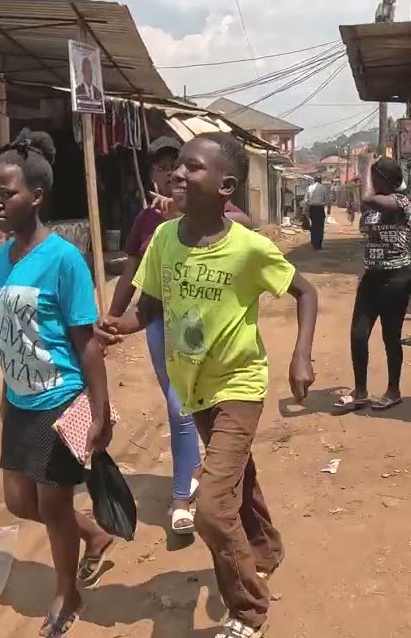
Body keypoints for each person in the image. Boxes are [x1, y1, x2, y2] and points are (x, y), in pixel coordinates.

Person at [97, 132, 318, 638]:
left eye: (192, 168)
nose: (177, 174)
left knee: (213, 511)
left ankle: (248, 611)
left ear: (226, 185)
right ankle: (265, 548)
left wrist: (301, 356)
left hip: (239, 385)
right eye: (177, 167)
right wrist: (119, 327)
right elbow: (148, 309)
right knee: (238, 476)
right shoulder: (164, 241)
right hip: (193, 387)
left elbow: (304, 291)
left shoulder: (248, 249)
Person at [0, 129, 116, 637]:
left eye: (6, 194)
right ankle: (94, 536)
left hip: (59, 399)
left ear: (36, 196)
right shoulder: (4, 256)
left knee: (52, 505)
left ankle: (67, 593)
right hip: (19, 399)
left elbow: (86, 342)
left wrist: (99, 414)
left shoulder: (64, 259)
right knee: (20, 502)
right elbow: (9, 331)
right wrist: (4, 392)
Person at [108, 136, 250, 536]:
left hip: (207, 327)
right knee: (179, 407)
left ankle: (217, 480)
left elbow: (244, 224)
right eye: (165, 167)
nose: (174, 173)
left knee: (204, 408)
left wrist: (183, 216)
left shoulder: (209, 209)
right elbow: (131, 272)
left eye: (182, 163)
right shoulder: (149, 221)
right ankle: (182, 495)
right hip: (160, 325)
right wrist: (113, 319)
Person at [335, 158, 411, 412]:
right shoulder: (373, 206)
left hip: (396, 278)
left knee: (391, 337)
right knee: (358, 333)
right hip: (372, 276)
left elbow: (367, 198)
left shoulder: (400, 202)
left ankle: (394, 390)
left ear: (383, 179)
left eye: (374, 176)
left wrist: (368, 169)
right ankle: (360, 391)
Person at [305, 176, 328, 249]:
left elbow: (306, 199)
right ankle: (319, 244)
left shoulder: (309, 188)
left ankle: (314, 242)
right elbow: (325, 200)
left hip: (312, 208)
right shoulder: (323, 188)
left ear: (314, 180)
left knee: (313, 225)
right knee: (320, 226)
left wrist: (306, 208)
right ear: (321, 180)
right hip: (320, 208)